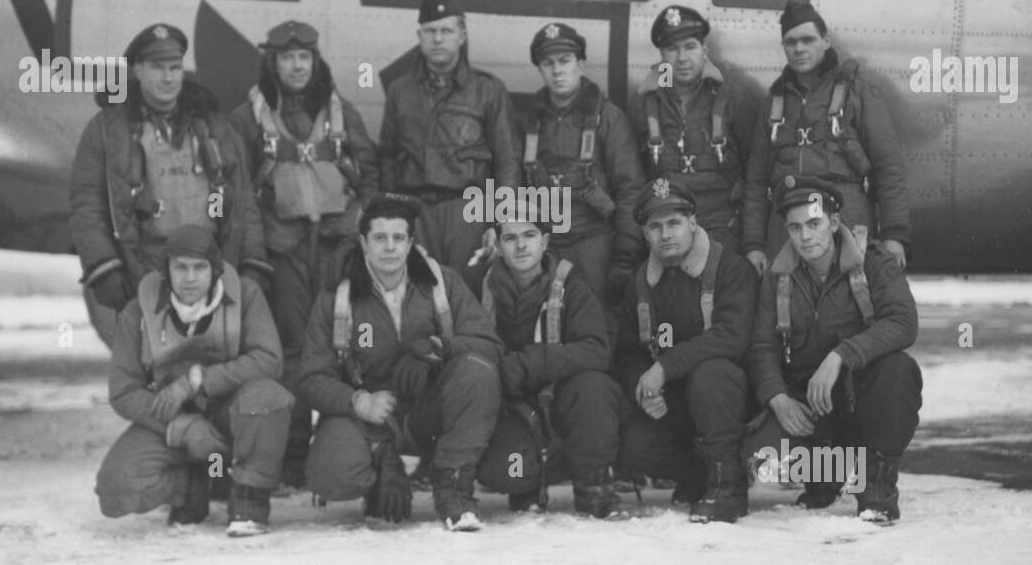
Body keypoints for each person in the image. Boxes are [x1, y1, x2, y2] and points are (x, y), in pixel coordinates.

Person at [228, 20, 379, 488]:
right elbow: (239, 194)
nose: (296, 66)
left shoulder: (342, 112)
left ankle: (358, 447)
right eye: (286, 58)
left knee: (347, 348)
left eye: (304, 57)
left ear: (315, 61)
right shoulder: (247, 119)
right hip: (284, 253)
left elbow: (370, 176)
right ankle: (291, 455)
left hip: (338, 250)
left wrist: (368, 239)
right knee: (289, 355)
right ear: (271, 62)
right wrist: (253, 257)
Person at [297, 193, 504, 530]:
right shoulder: (339, 295)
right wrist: (358, 402)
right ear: (364, 242)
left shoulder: (442, 283)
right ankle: (378, 474)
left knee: (477, 373)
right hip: (371, 414)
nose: (389, 247)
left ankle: (453, 489)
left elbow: (489, 345)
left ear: (410, 243)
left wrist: (437, 347)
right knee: (332, 472)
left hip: (429, 409)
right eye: (380, 238)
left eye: (398, 238)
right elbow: (311, 376)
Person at [69, 23, 270, 345]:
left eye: (175, 67)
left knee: (216, 368)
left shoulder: (214, 127)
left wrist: (253, 262)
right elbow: (87, 204)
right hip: (146, 264)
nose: (168, 77)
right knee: (152, 365)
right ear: (137, 70)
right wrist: (103, 266)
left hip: (210, 265)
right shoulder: (108, 130)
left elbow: (242, 202)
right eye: (157, 67)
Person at [95, 225, 294, 536]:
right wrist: (183, 427)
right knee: (115, 487)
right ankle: (190, 486)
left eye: (200, 268)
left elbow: (269, 360)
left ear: (215, 270)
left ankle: (249, 499)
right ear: (166, 271)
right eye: (180, 268)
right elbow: (123, 391)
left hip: (231, 412)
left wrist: (197, 380)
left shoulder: (246, 295)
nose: (190, 278)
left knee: (266, 398)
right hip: (171, 417)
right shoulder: (139, 311)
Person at [745, 175, 921, 523]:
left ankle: (876, 489)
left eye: (814, 223)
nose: (805, 236)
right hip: (810, 406)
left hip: (858, 398)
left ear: (834, 222)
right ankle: (822, 477)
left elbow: (903, 321)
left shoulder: (873, 262)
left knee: (898, 371)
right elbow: (762, 347)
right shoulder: (777, 276)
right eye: (795, 228)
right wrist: (778, 400)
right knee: (753, 448)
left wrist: (841, 355)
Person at [615, 177, 759, 523]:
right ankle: (698, 477)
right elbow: (628, 353)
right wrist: (643, 388)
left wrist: (665, 367)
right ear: (645, 234)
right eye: (655, 227)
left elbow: (732, 337)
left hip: (729, 397)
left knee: (711, 375)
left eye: (675, 223)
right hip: (676, 402)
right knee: (633, 444)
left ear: (693, 223)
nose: (666, 235)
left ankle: (729, 487)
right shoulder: (640, 283)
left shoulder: (729, 268)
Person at [742, 0, 912, 276]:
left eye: (807, 40)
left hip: (845, 220)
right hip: (786, 229)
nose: (799, 49)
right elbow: (756, 182)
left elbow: (888, 167)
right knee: (787, 310)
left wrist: (894, 235)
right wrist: (753, 244)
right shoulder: (773, 103)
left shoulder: (858, 92)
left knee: (850, 306)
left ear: (825, 41)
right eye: (790, 42)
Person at [475, 211, 623, 518]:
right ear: (498, 245)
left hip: (561, 397)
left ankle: (593, 484)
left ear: (544, 242)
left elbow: (596, 350)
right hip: (513, 403)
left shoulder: (572, 286)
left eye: (529, 236)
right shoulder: (482, 287)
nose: (520, 246)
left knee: (594, 387)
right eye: (510, 238)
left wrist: (535, 362)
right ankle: (526, 484)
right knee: (505, 473)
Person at [377, 0, 520, 276]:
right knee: (418, 294)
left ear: (462, 35)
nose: (438, 39)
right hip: (415, 212)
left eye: (446, 31)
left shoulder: (488, 90)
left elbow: (507, 162)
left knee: (467, 294)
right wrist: (392, 220)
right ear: (419, 36)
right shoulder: (400, 91)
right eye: (430, 31)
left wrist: (499, 223)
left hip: (467, 210)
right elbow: (388, 160)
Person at [519, 22, 645, 304]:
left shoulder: (608, 118)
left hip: (596, 243)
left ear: (581, 64)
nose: (557, 70)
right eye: (547, 63)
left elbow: (630, 190)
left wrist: (625, 255)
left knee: (597, 324)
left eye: (565, 61)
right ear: (540, 69)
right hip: (546, 245)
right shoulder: (529, 125)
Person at [628, 5, 758, 248]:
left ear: (704, 50)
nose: (682, 58)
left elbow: (755, 176)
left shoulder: (734, 98)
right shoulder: (644, 102)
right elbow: (634, 180)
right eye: (672, 49)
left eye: (690, 46)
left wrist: (752, 243)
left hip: (722, 220)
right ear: (662, 56)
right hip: (666, 219)